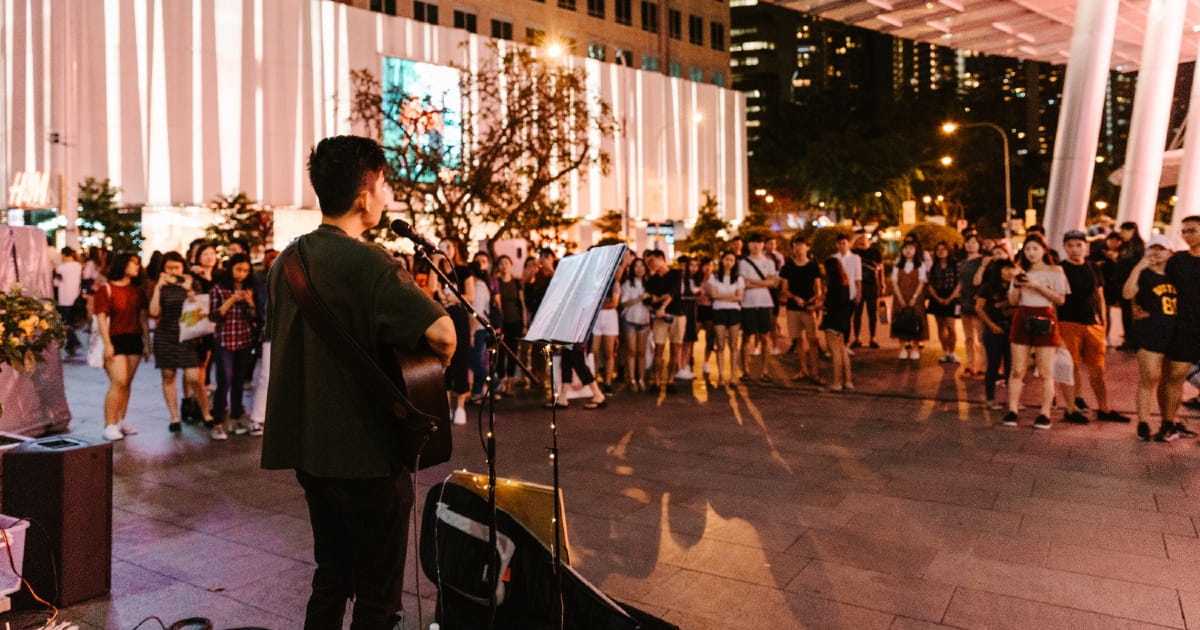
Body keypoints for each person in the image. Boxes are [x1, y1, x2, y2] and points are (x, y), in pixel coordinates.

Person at [262, 135, 455, 629]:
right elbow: (443, 334)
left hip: (310, 450)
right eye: (384, 185)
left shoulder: (286, 263)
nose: (386, 196)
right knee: (378, 595)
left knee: (331, 577)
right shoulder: (371, 261)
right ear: (366, 196)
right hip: (366, 453)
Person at [1057, 230, 1128, 425]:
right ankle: (1071, 407)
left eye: (1078, 245)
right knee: (1071, 366)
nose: (1074, 249)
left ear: (1085, 246)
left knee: (1097, 368)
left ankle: (1104, 408)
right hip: (1068, 323)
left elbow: (1100, 296)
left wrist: (1103, 321)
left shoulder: (1093, 267)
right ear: (1064, 247)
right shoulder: (1060, 269)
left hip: (1092, 324)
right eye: (1070, 245)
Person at [1003, 235, 1068, 430]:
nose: (1031, 253)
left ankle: (1045, 412)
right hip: (1022, 315)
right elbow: (1013, 301)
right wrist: (1016, 284)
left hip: (1044, 316)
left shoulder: (1055, 271)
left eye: (1035, 249)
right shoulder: (1020, 271)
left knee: (1045, 370)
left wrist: (1037, 286)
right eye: (1027, 249)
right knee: (1017, 369)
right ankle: (1012, 409)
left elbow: (1060, 299)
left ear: (1043, 250)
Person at [1122, 234, 1178, 441]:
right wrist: (1138, 268)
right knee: (1150, 377)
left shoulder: (1176, 275)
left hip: (1175, 331)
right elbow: (1127, 294)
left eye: (1162, 249)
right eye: (1153, 248)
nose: (1157, 252)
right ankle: (1143, 422)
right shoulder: (1143, 274)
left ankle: (1167, 421)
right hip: (1150, 330)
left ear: (1170, 253)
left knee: (1171, 379)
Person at [149, 252, 207, 433]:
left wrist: (189, 290)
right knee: (168, 375)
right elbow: (154, 312)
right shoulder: (161, 286)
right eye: (169, 268)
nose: (173, 271)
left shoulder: (192, 282)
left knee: (193, 377)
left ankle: (206, 413)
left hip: (188, 335)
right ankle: (174, 417)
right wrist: (158, 287)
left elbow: (200, 308)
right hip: (166, 335)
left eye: (177, 267)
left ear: (183, 267)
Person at [95, 252, 150, 441]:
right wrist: (107, 344)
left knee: (127, 382)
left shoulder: (137, 291)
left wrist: (146, 342)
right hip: (114, 338)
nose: (137, 267)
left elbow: (143, 317)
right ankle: (109, 424)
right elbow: (101, 318)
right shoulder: (106, 289)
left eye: (138, 264)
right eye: (133, 263)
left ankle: (120, 420)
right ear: (123, 265)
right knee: (119, 380)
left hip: (134, 338)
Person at [208, 253, 257, 440]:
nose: (242, 274)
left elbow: (255, 317)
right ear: (231, 269)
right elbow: (214, 316)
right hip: (224, 341)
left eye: (246, 270)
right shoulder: (218, 289)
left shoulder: (249, 289)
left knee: (238, 381)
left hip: (244, 340)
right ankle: (218, 423)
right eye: (238, 269)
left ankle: (235, 418)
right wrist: (231, 300)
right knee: (224, 382)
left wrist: (250, 303)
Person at [1160, 216, 1200, 440]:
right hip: (1183, 326)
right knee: (1176, 375)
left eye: (1191, 230)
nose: (1186, 236)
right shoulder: (1177, 260)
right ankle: (1168, 423)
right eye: (1183, 231)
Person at [779, 235, 824, 383]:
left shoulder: (813, 266)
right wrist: (795, 297)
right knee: (798, 340)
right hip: (793, 308)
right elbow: (784, 289)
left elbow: (818, 289)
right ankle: (803, 370)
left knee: (813, 340)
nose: (798, 249)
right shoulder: (787, 267)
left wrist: (812, 299)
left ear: (807, 247)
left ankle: (815, 372)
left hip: (809, 308)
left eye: (800, 245)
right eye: (795, 246)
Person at [738, 234, 780, 381]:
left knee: (765, 337)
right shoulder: (743, 263)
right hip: (747, 302)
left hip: (765, 302)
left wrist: (753, 282)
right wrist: (763, 283)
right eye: (752, 243)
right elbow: (743, 283)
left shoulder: (769, 262)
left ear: (763, 245)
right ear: (748, 245)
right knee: (746, 337)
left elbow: (773, 282)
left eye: (758, 243)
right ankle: (745, 371)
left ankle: (765, 371)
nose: (755, 246)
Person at [976, 259, 1016, 410]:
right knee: (993, 365)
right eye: (1006, 269)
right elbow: (979, 308)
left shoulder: (1015, 286)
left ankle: (1013, 401)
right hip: (994, 330)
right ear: (998, 271)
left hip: (1012, 330)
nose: (1009, 272)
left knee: (1012, 366)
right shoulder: (988, 287)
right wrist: (991, 325)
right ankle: (990, 399)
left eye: (1011, 269)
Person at [644, 250, 687, 389]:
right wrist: (659, 300)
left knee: (675, 349)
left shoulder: (676, 273)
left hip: (677, 315)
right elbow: (649, 299)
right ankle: (656, 381)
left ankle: (670, 381)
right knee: (658, 349)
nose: (650, 264)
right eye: (648, 263)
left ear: (661, 258)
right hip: (660, 318)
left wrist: (661, 303)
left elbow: (673, 293)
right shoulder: (652, 280)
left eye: (652, 261)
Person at [706, 251, 744, 387]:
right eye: (726, 259)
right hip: (719, 311)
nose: (728, 262)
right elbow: (713, 295)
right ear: (722, 260)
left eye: (731, 260)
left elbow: (739, 297)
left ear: (734, 263)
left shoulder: (738, 278)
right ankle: (721, 376)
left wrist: (721, 296)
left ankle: (733, 376)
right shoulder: (714, 277)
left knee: (733, 345)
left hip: (734, 312)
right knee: (720, 345)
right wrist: (730, 297)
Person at [493, 255, 526, 395]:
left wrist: (524, 323)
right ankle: (502, 382)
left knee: (513, 353)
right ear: (498, 267)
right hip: (501, 323)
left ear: (511, 265)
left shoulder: (517, 282)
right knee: (500, 354)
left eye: (506, 263)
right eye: (501, 263)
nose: (504, 266)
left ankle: (510, 384)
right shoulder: (496, 282)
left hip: (515, 321)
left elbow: (522, 304)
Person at [464, 252, 493, 404]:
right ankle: (476, 393)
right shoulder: (479, 285)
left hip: (479, 328)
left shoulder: (479, 286)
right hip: (478, 328)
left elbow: (477, 312)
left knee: (473, 361)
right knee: (478, 361)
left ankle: (495, 382)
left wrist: (471, 334)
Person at [821, 255, 854, 391]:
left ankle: (837, 383)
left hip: (832, 320)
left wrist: (818, 306)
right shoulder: (845, 283)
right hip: (842, 320)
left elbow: (828, 305)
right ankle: (848, 381)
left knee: (835, 352)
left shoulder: (833, 285)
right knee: (842, 350)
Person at [891, 239, 927, 361]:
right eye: (906, 248)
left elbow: (921, 282)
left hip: (916, 298)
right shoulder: (897, 265)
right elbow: (894, 282)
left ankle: (915, 348)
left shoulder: (920, 265)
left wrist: (914, 297)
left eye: (911, 248)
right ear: (902, 250)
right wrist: (900, 298)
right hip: (900, 296)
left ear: (915, 251)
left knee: (916, 322)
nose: (908, 251)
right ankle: (902, 348)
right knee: (900, 321)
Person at [619, 257, 652, 391]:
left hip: (644, 320)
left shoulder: (649, 283)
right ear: (632, 269)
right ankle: (632, 379)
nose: (639, 269)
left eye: (642, 266)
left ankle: (641, 379)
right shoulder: (628, 284)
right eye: (636, 266)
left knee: (641, 352)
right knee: (631, 351)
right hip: (630, 320)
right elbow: (624, 303)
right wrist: (639, 298)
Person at [926, 242, 961, 364]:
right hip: (937, 297)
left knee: (951, 327)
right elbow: (930, 284)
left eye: (943, 249)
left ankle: (952, 352)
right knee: (940, 326)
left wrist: (951, 298)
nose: (941, 252)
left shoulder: (955, 265)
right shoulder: (934, 266)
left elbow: (959, 283)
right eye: (938, 250)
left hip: (952, 296)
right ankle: (945, 352)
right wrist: (937, 298)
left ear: (949, 251)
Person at [957, 234, 986, 377]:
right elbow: (960, 282)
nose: (970, 245)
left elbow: (986, 281)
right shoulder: (962, 263)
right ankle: (970, 365)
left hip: (978, 302)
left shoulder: (983, 261)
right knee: (968, 337)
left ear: (979, 245)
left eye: (974, 242)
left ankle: (982, 367)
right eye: (968, 242)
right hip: (964, 302)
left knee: (981, 338)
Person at [1115, 221, 1145, 351]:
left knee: (1130, 313)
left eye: (1124, 231)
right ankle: (1129, 339)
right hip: (1122, 283)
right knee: (1126, 313)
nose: (1121, 234)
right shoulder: (1125, 245)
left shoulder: (1138, 247)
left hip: (1132, 285)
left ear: (1132, 231)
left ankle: (1133, 341)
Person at [850, 231, 882, 349]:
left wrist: (882, 284)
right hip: (858, 286)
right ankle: (857, 338)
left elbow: (880, 268)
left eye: (865, 237)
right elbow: (846, 250)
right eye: (861, 237)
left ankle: (872, 338)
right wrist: (854, 239)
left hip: (871, 285)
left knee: (872, 313)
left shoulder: (874, 252)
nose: (863, 239)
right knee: (857, 313)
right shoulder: (854, 252)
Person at [53, 247, 83, 356]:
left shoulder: (61, 268)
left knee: (66, 323)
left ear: (64, 255)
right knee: (70, 322)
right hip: (75, 298)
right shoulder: (78, 266)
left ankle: (74, 341)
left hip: (64, 298)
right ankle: (71, 345)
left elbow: (56, 283)